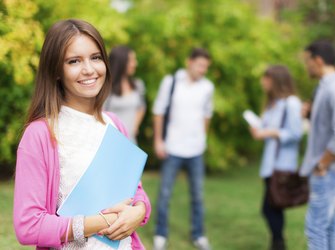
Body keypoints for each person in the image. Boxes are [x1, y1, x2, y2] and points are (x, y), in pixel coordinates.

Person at [13, 19, 151, 250]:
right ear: (56, 70)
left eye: (95, 57)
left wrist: (140, 211)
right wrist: (101, 222)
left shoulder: (114, 124)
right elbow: (28, 226)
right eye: (74, 61)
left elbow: (135, 191)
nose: (89, 69)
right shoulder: (40, 134)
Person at [152, 48, 214, 250]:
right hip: (172, 148)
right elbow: (158, 112)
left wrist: (203, 138)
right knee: (165, 193)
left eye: (206, 67)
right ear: (189, 62)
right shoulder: (170, 82)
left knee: (198, 196)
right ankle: (161, 234)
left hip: (196, 150)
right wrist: (158, 140)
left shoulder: (207, 87)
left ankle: (198, 234)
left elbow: (207, 115)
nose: (203, 70)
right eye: (200, 65)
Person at [300, 40, 335, 250]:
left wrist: (322, 164)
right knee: (329, 226)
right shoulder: (324, 87)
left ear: (318, 60)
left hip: (329, 169)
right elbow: (326, 129)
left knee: (315, 228)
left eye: (308, 61)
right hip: (325, 168)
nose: (307, 66)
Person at [249, 65, 303, 250]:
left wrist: (271, 133)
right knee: (273, 207)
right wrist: (258, 129)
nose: (263, 82)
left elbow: (296, 133)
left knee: (270, 207)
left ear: (277, 80)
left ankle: (279, 243)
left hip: (282, 164)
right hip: (269, 164)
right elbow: (265, 127)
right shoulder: (272, 104)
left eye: (267, 79)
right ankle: (277, 243)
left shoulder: (291, 103)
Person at [104, 45, 146, 144]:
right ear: (121, 62)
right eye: (132, 60)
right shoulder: (105, 88)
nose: (135, 64)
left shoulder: (138, 85)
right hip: (111, 142)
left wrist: (135, 127)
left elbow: (141, 107)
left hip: (131, 141)